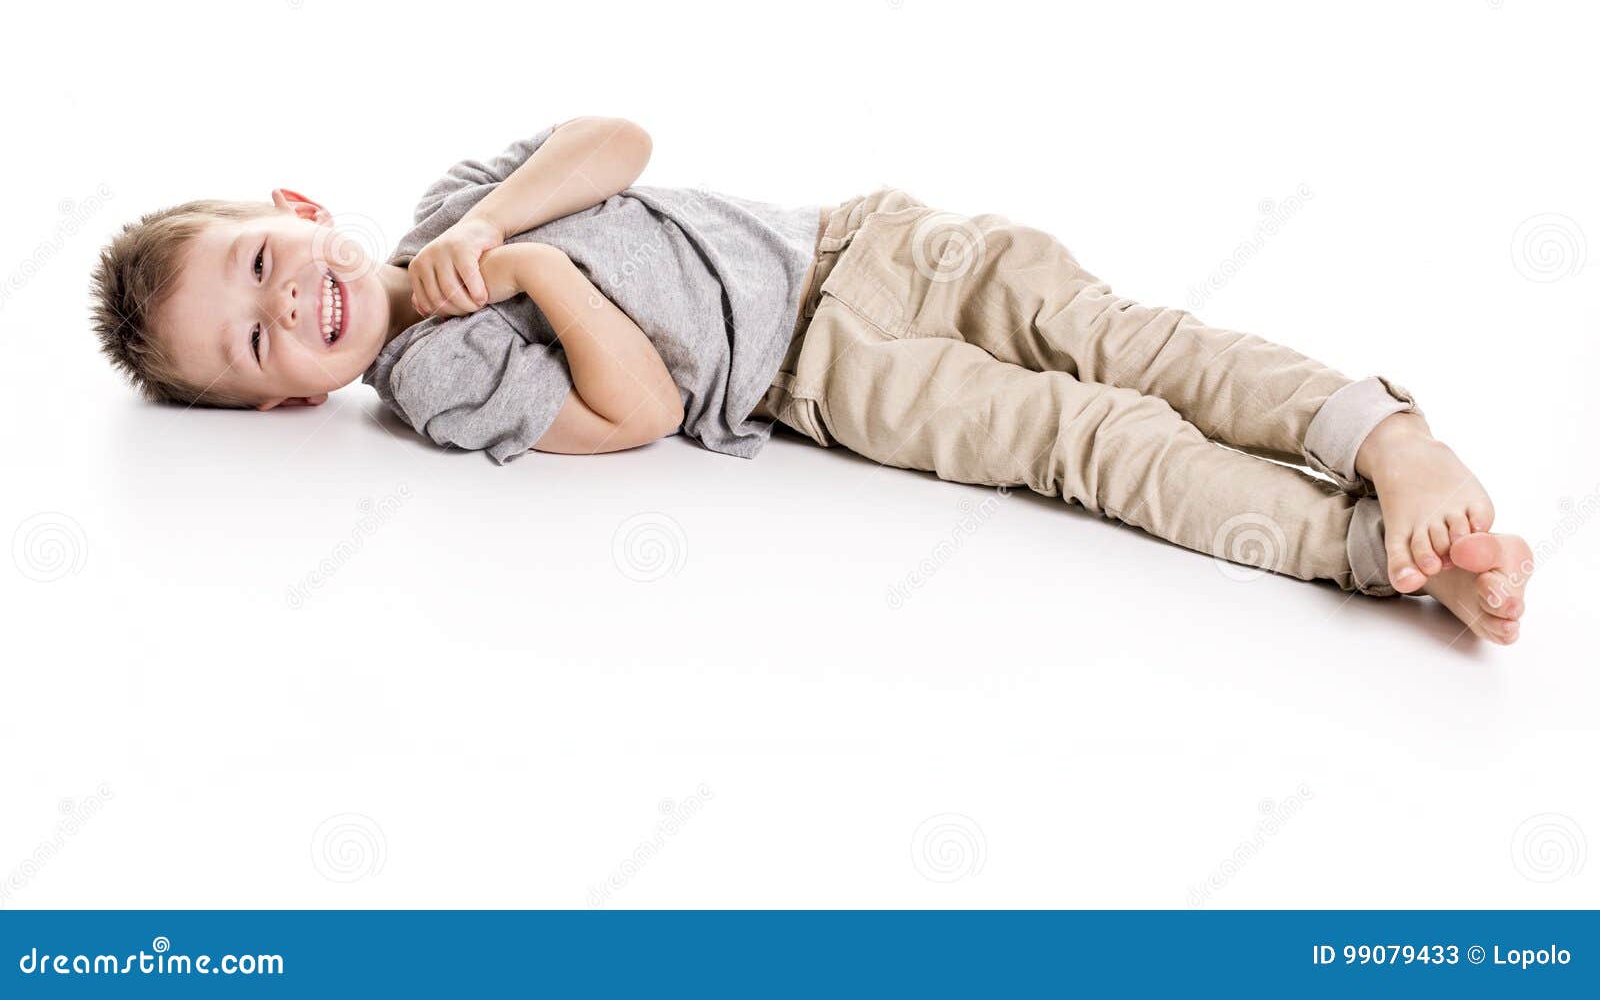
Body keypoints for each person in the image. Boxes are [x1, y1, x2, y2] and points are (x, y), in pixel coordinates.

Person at [88, 116, 1534, 644]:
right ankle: (1377, 554)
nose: (294, 300)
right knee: (1088, 438)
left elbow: (621, 140)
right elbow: (641, 410)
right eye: (259, 338)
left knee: (1135, 339)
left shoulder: (452, 198)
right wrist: (529, 272)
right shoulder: (436, 381)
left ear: (296, 204)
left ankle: (1384, 434)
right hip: (824, 368)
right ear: (285, 401)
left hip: (858, 239)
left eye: (267, 260)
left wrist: (491, 223)